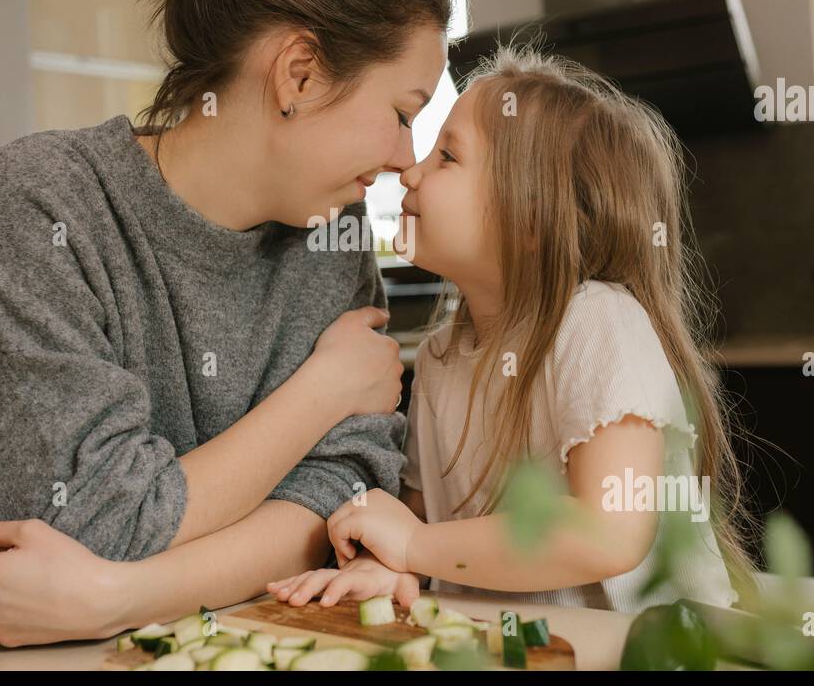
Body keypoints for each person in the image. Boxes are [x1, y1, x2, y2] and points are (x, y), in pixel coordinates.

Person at [0, 0, 452, 646]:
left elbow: (345, 494)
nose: (405, 156)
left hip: (255, 642)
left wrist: (114, 595)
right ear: (301, 74)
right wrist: (323, 389)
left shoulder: (330, 236)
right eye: (402, 111)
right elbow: (88, 520)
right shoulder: (41, 204)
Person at [270, 44, 759, 614]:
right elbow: (418, 521)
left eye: (447, 157)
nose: (411, 170)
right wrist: (388, 560)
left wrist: (413, 545)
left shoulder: (597, 321)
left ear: (532, 219)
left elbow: (609, 531)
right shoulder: (440, 356)